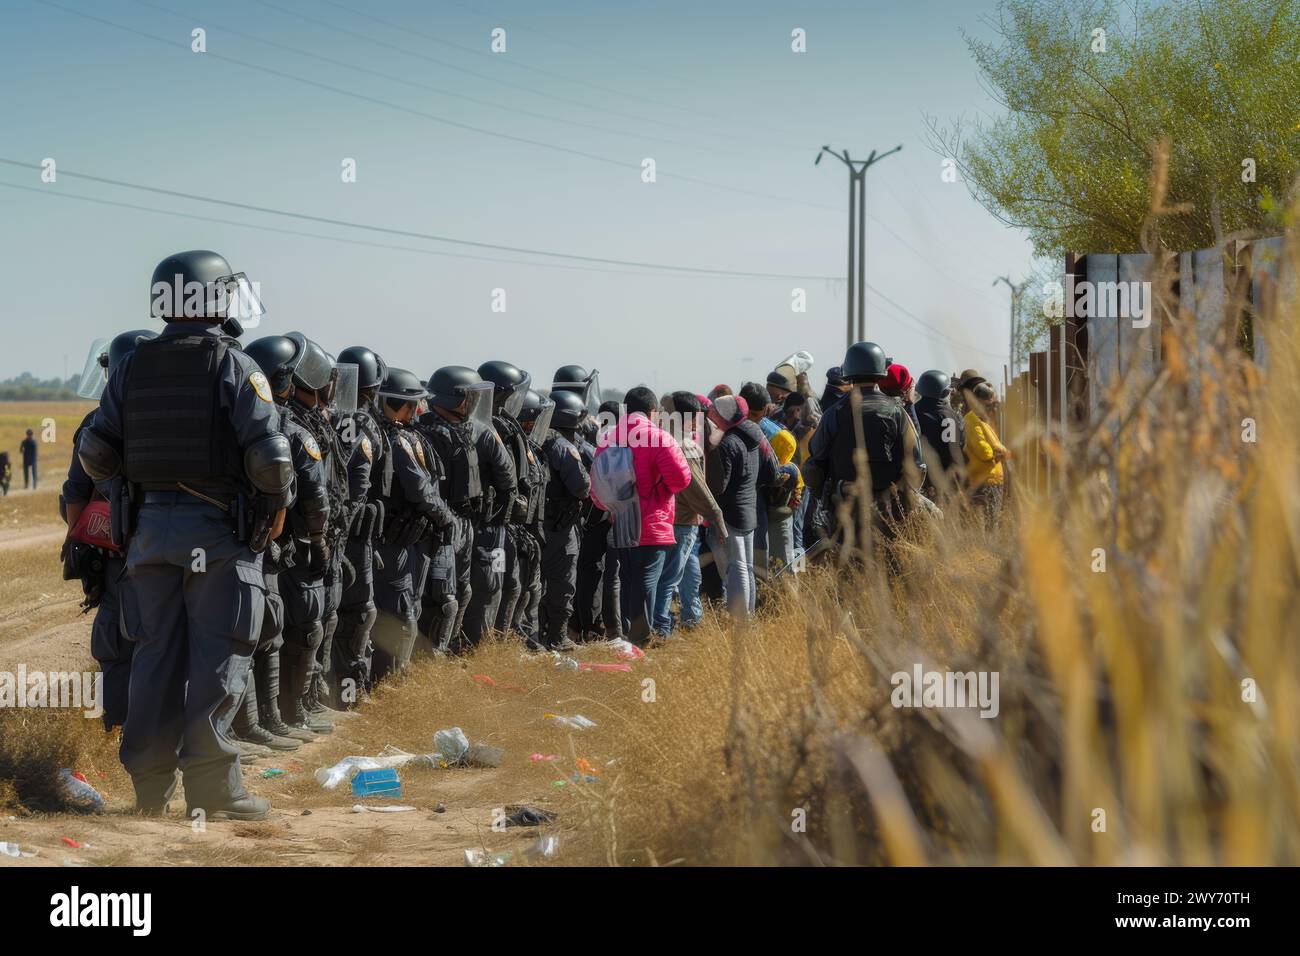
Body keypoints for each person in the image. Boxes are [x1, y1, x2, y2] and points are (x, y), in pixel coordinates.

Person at [77, 249, 290, 821]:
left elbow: (96, 450)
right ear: (215, 296)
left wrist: (129, 493)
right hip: (217, 533)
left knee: (153, 658)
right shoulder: (235, 365)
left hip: (149, 535)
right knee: (220, 655)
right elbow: (271, 456)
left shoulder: (130, 365)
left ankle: (149, 789)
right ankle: (215, 791)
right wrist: (273, 509)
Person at [241, 333, 337, 740]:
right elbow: (315, 498)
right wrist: (318, 542)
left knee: (251, 636)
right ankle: (268, 722)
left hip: (240, 543)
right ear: (283, 382)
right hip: (279, 548)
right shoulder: (293, 431)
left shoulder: (239, 420)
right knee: (270, 635)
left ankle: (264, 722)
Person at [61, 330, 155, 732]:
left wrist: (83, 541)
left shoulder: (98, 421)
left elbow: (74, 495)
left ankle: (118, 731)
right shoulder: (171, 418)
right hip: (174, 553)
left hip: (118, 558)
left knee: (117, 646)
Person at [418, 366, 515, 653]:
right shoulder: (478, 431)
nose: (474, 404)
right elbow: (507, 478)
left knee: (461, 591)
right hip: (448, 525)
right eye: (469, 398)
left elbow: (507, 477)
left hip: (456, 523)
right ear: (457, 400)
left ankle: (449, 648)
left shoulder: (421, 428)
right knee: (444, 595)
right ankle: (434, 655)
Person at [370, 367, 455, 680]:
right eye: (413, 404)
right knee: (401, 612)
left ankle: (395, 676)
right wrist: (446, 519)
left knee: (408, 608)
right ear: (399, 405)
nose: (418, 411)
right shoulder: (394, 439)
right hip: (396, 543)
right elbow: (421, 489)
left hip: (404, 540)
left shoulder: (398, 435)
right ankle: (388, 682)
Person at [590, 386, 691, 645]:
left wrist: (612, 506)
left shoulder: (608, 439)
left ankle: (627, 636)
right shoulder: (659, 437)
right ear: (653, 411)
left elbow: (597, 483)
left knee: (627, 580)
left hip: (622, 520)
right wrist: (660, 490)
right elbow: (681, 479)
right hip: (652, 522)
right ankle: (641, 639)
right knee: (646, 581)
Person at [805, 341, 921, 556]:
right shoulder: (898, 412)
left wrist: (824, 497)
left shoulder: (834, 412)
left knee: (848, 574)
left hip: (845, 510)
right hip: (891, 513)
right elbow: (917, 462)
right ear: (880, 372)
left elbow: (815, 457)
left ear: (848, 372)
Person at [331, 346, 388, 698]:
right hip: (353, 537)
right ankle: (349, 693)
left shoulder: (341, 420)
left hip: (348, 535)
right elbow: (356, 492)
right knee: (358, 613)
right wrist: (339, 539)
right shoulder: (359, 427)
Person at [477, 361, 545, 642]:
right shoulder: (486, 429)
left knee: (513, 586)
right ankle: (484, 646)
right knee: (492, 588)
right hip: (490, 527)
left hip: (505, 527)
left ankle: (503, 642)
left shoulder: (502, 429)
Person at [652, 392, 725, 635]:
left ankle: (689, 619)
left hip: (670, 519)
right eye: (694, 417)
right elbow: (698, 488)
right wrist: (717, 519)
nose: (698, 423)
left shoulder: (660, 439)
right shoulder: (683, 446)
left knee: (683, 575)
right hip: (682, 521)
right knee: (670, 579)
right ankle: (661, 629)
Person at [705, 393, 778, 617]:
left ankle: (741, 621)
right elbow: (772, 473)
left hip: (729, 515)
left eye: (715, 412)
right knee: (745, 569)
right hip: (748, 511)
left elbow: (719, 486)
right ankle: (749, 615)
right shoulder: (755, 437)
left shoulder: (727, 443)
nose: (711, 415)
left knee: (736, 570)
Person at [538, 389, 591, 650]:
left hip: (538, 525)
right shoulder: (563, 446)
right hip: (560, 527)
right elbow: (581, 486)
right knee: (563, 583)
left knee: (536, 582)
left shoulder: (535, 439)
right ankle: (558, 638)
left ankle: (539, 634)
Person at [573, 399, 622, 641]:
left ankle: (587, 628)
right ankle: (604, 629)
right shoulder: (621, 442)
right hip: (609, 519)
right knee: (608, 576)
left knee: (588, 574)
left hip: (592, 519)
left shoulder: (594, 444)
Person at [960, 375, 1009, 524]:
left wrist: (1001, 451)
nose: (990, 409)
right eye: (987, 405)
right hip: (985, 480)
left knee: (990, 522)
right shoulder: (972, 421)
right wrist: (999, 452)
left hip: (990, 479)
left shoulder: (980, 421)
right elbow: (985, 452)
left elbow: (998, 447)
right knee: (988, 524)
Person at [914, 370, 966, 502]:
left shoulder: (913, 411)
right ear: (944, 392)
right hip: (947, 480)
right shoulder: (953, 415)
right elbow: (960, 447)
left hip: (920, 481)